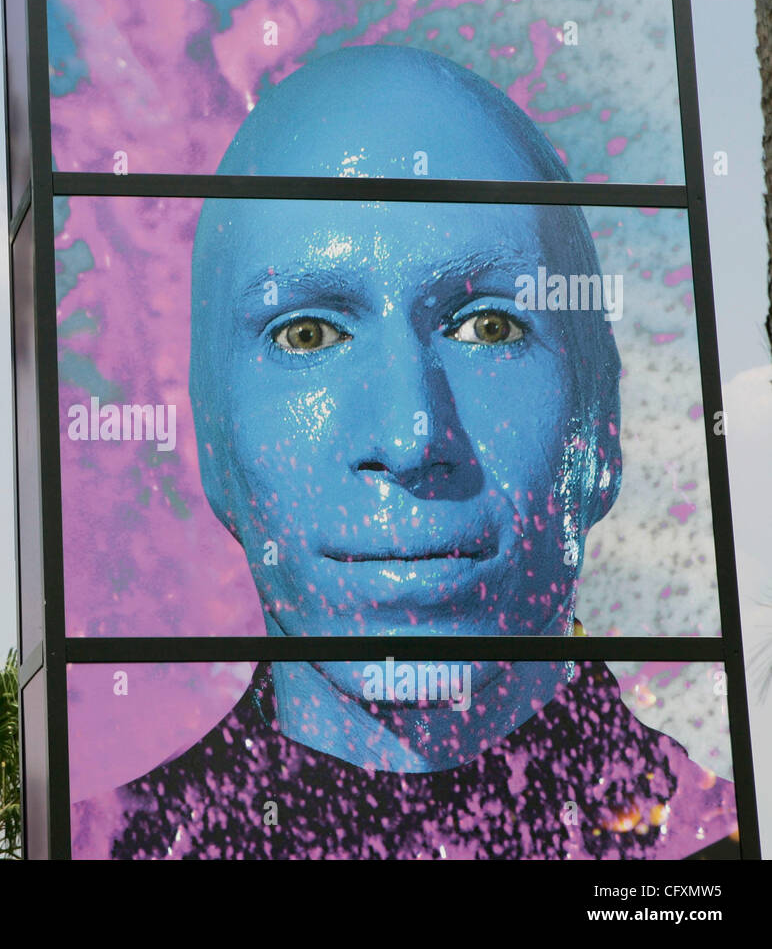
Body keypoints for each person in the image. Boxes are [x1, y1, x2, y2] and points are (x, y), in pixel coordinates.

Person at [72, 45, 738, 859]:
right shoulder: (111, 845)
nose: (411, 436)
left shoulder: (712, 846)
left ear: (602, 426)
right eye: (308, 334)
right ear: (213, 446)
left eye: (490, 326)